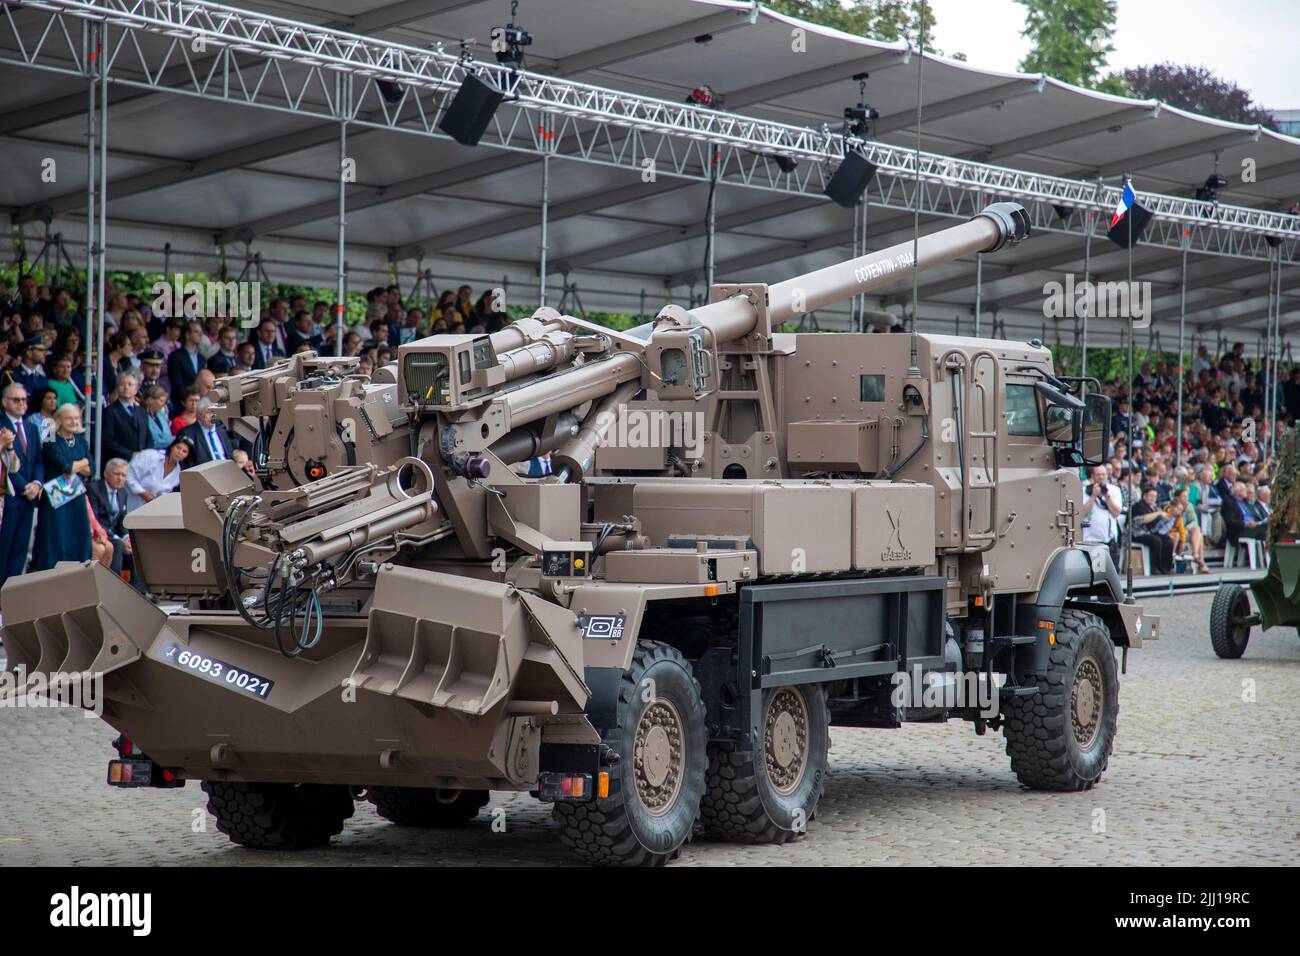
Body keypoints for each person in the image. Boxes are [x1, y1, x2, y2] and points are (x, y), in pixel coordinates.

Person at [33, 403, 93, 571]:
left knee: (78, 535)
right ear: (59, 419)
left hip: (76, 495)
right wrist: (83, 462)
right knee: (56, 537)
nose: (74, 421)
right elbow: (65, 467)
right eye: (69, 418)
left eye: (76, 418)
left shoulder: (81, 441)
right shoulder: (51, 439)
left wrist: (80, 464)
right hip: (55, 498)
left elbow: (92, 469)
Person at [0, 383, 43, 590]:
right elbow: (7, 465)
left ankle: (11, 597)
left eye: (24, 400)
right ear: (4, 402)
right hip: (8, 498)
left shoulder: (32, 427)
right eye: (16, 400)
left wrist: (36, 483)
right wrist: (24, 486)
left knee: (20, 550)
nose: (21, 404)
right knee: (3, 549)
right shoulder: (1, 425)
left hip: (28, 499)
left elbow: (38, 461)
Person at [87, 457, 133, 573]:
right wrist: (118, 538)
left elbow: (122, 518)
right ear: (106, 474)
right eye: (117, 474)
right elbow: (95, 519)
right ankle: (114, 586)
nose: (120, 478)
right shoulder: (94, 488)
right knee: (117, 544)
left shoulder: (123, 492)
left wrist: (127, 537)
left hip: (113, 535)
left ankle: (138, 589)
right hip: (98, 534)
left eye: (124, 475)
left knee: (135, 545)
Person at [126, 436, 191, 510]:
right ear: (172, 447)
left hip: (148, 512)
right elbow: (128, 475)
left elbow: (164, 493)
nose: (180, 452)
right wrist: (142, 492)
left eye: (184, 451)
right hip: (128, 503)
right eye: (178, 448)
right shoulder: (150, 456)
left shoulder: (178, 473)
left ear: (187, 456)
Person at [101, 368, 150, 464]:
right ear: (117, 388)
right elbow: (108, 440)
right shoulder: (110, 411)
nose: (126, 387)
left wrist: (145, 453)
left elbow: (148, 436)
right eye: (122, 384)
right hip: (119, 461)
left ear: (136, 389)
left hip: (142, 461)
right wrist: (130, 454)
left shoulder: (142, 411)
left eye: (130, 384)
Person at [1080, 465, 1123, 568]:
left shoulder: (1114, 490)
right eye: (1098, 475)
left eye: (1103, 474)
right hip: (1091, 540)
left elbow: (1116, 513)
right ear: (1092, 476)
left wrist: (1107, 496)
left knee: (1112, 571)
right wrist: (1094, 496)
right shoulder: (1085, 490)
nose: (1101, 477)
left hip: (1109, 540)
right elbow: (1082, 512)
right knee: (1096, 573)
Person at [1131, 484, 1175, 575]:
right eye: (1151, 496)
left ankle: (1166, 567)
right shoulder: (1138, 506)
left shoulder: (1154, 507)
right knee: (1156, 541)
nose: (1153, 498)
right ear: (1144, 496)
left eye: (1155, 496)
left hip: (1151, 532)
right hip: (1137, 533)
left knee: (1168, 541)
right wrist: (1158, 514)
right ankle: (1155, 568)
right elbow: (1140, 520)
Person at [180, 398, 234, 465]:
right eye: (209, 412)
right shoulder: (188, 434)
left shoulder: (222, 431)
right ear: (199, 415)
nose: (213, 416)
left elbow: (230, 456)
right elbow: (187, 464)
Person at [143, 384, 173, 450]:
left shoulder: (161, 414)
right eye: (161, 401)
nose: (163, 404)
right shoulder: (142, 416)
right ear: (150, 400)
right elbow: (154, 441)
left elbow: (168, 435)